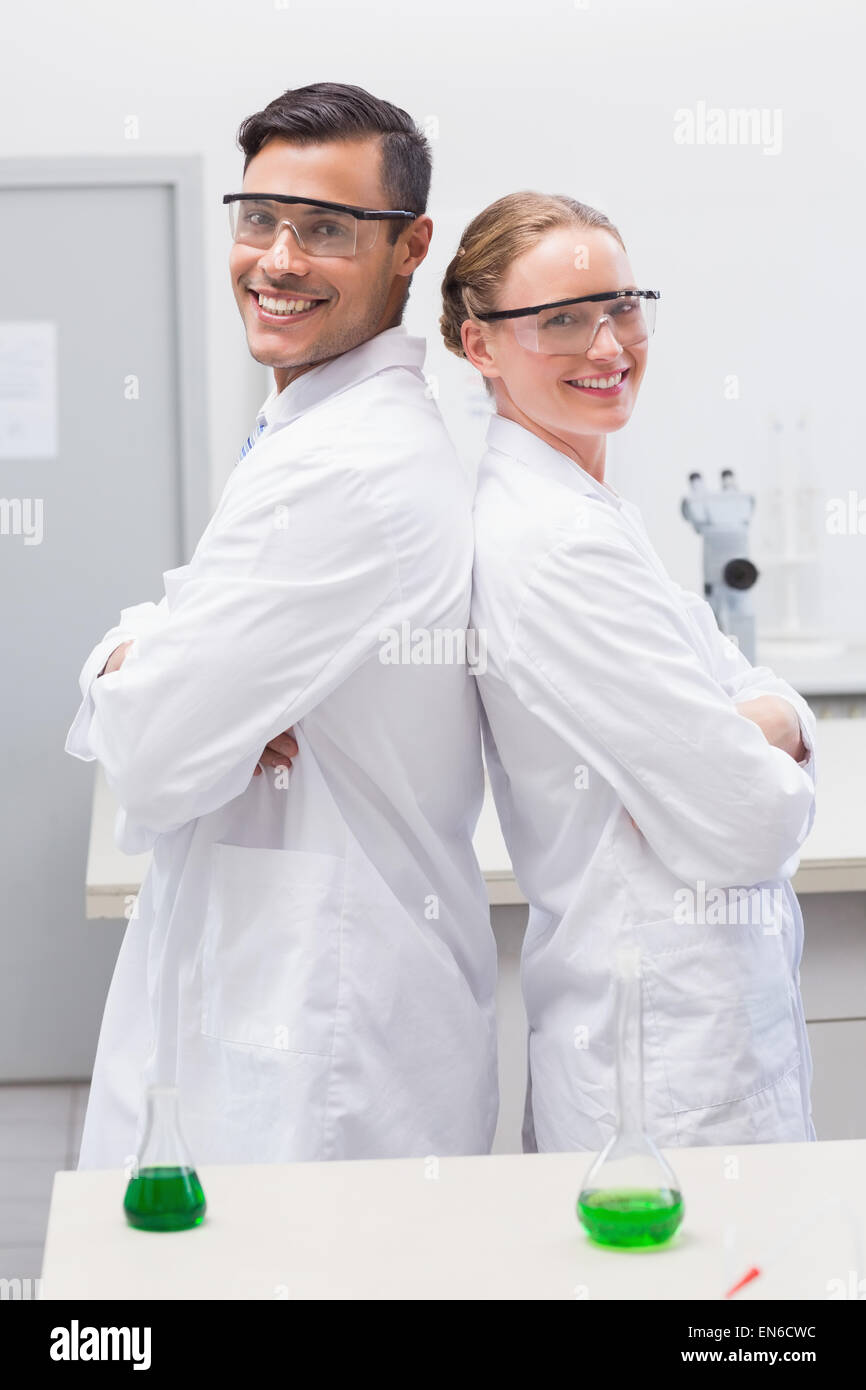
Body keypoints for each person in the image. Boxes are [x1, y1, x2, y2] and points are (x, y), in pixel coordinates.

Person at [66, 83, 498, 1168]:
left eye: (326, 229)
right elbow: (171, 679)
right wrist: (146, 656)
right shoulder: (317, 433)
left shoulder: (347, 472)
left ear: (410, 248)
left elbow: (158, 756)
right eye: (258, 217)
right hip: (296, 1003)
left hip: (321, 1047)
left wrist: (146, 671)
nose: (278, 258)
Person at [440, 192, 817, 1152]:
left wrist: (767, 719)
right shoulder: (554, 544)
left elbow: (748, 690)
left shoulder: (590, 504)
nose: (607, 346)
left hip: (689, 1038)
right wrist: (761, 731)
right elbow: (748, 819)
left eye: (621, 306)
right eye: (561, 320)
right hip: (666, 1077)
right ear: (479, 346)